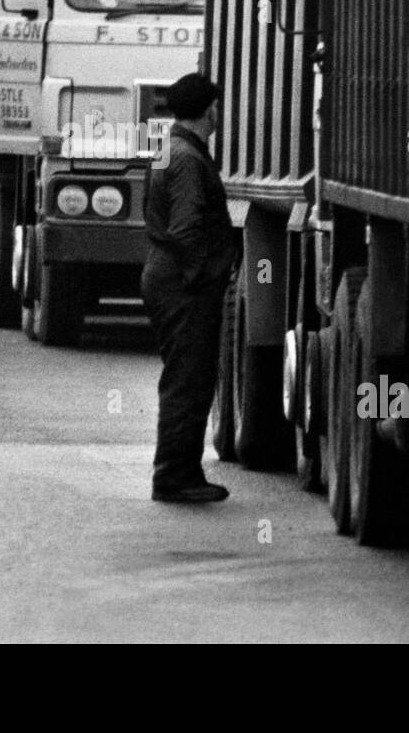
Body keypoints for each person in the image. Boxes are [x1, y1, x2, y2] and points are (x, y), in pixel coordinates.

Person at [141, 73, 237, 504]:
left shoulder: (169, 150)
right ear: (210, 110)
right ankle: (175, 476)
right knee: (188, 380)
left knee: (185, 377)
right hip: (182, 283)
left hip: (166, 275)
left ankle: (183, 471)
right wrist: (204, 276)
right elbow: (185, 230)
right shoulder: (187, 159)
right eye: (216, 107)